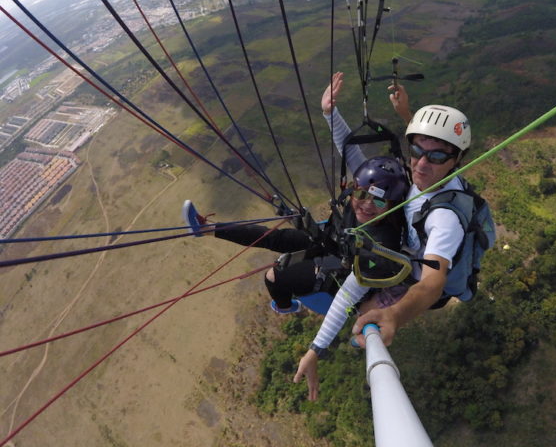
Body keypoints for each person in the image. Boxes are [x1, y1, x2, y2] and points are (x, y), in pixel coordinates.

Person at [292, 74, 472, 398]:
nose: (421, 164)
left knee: (363, 308)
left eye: (436, 157)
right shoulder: (428, 177)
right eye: (416, 150)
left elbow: (432, 284)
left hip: (411, 275)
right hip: (403, 242)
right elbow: (362, 168)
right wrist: (331, 115)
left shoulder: (444, 219)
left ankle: (362, 328)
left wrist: (394, 315)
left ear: (457, 160)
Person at [182, 73, 410, 314]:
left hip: (342, 275)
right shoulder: (373, 183)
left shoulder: (385, 243)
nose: (366, 205)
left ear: (393, 204)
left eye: (379, 202)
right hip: (333, 240)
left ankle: (286, 307)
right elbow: (351, 151)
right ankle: (207, 229)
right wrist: (330, 113)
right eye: (362, 195)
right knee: (275, 238)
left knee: (273, 276)